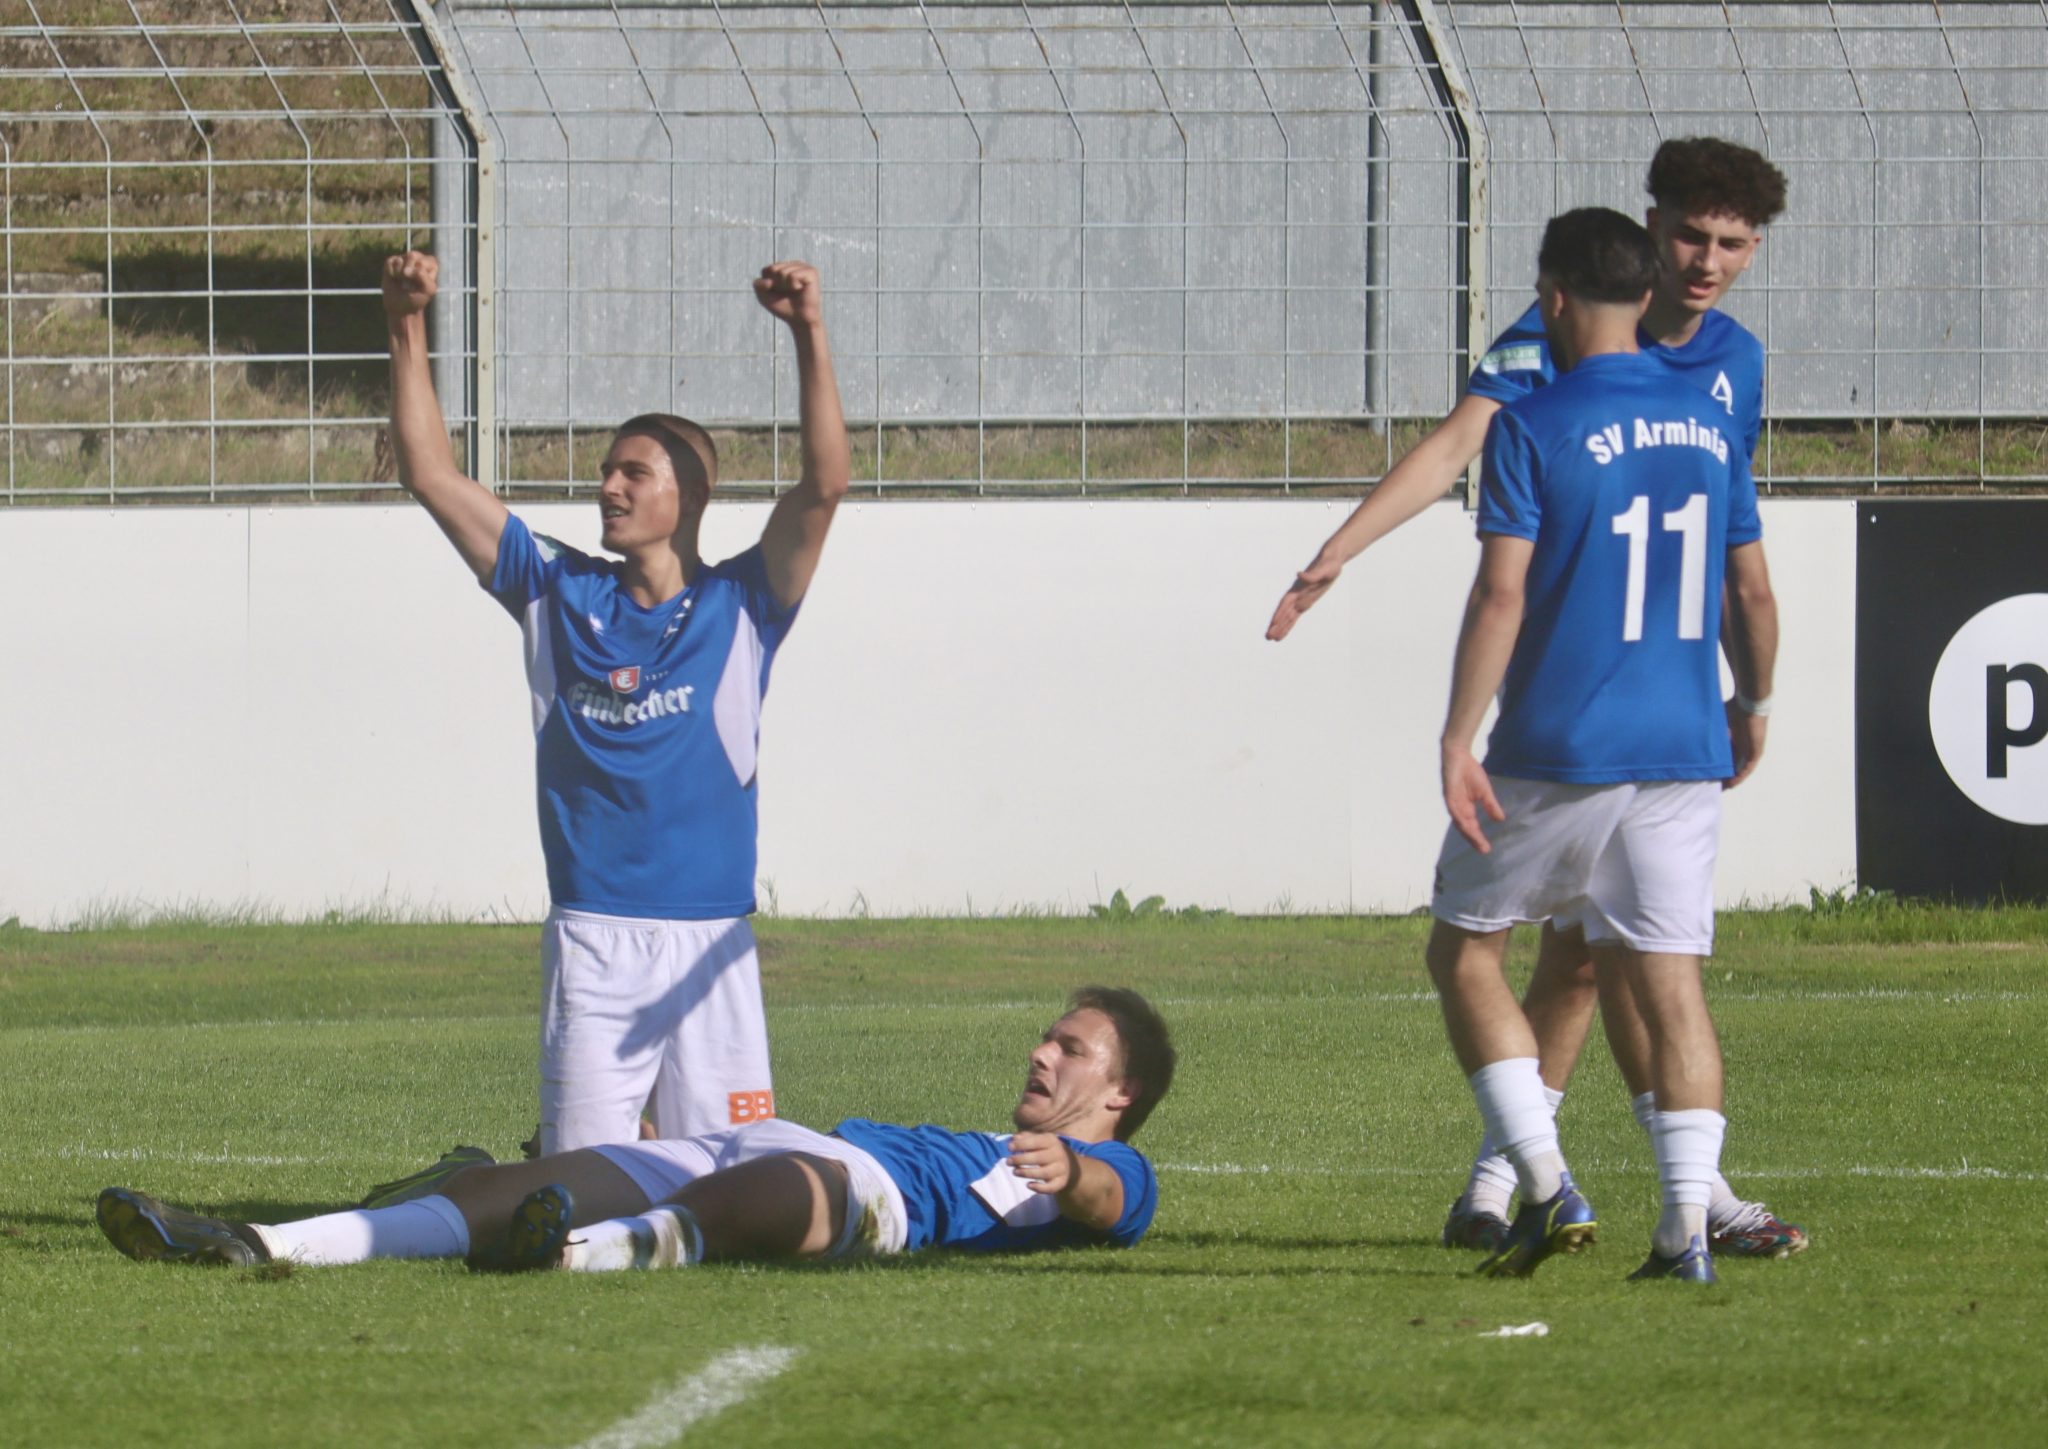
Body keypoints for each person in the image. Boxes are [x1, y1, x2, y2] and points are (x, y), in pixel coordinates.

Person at [1267, 137, 1803, 1259]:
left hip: (1622, 712)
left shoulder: (1734, 365)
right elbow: (1457, 441)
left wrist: (1743, 697)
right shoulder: (1548, 344)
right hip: (1630, 717)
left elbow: (1723, 553)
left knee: (1586, 953)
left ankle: (1556, 1187)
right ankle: (1575, 1190)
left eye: (1730, 245)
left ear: (1752, 252)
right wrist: (1340, 548)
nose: (1704, 262)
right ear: (1647, 233)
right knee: (1598, 954)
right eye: (1688, 237)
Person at [377, 252, 851, 1155]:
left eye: (635, 472)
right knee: (586, 1185)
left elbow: (824, 487)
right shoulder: (554, 588)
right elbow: (432, 473)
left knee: (731, 1176)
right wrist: (405, 324)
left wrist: (808, 330)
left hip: (713, 946)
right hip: (594, 941)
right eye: (607, 471)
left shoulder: (744, 604)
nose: (609, 487)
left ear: (693, 494)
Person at [1426, 207, 1778, 1282]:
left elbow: (1500, 593)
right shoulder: (1708, 422)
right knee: (1669, 984)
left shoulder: (1533, 423)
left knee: (1463, 950)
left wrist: (1454, 735)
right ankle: (1682, 1230)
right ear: (1645, 295)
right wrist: (1751, 701)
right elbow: (1749, 588)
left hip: (1558, 748)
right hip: (1681, 749)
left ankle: (1542, 1181)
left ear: (1554, 301)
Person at [95, 988, 1174, 1273]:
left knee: (785, 1195)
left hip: (863, 1197)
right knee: (519, 1182)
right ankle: (263, 1242)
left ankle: (578, 1256)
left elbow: (1111, 1204)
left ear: (1118, 1095)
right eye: (1045, 1037)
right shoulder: (974, 1136)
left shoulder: (1114, 1160)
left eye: (1070, 1051)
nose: (1040, 1054)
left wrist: (1075, 1168)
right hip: (771, 1140)